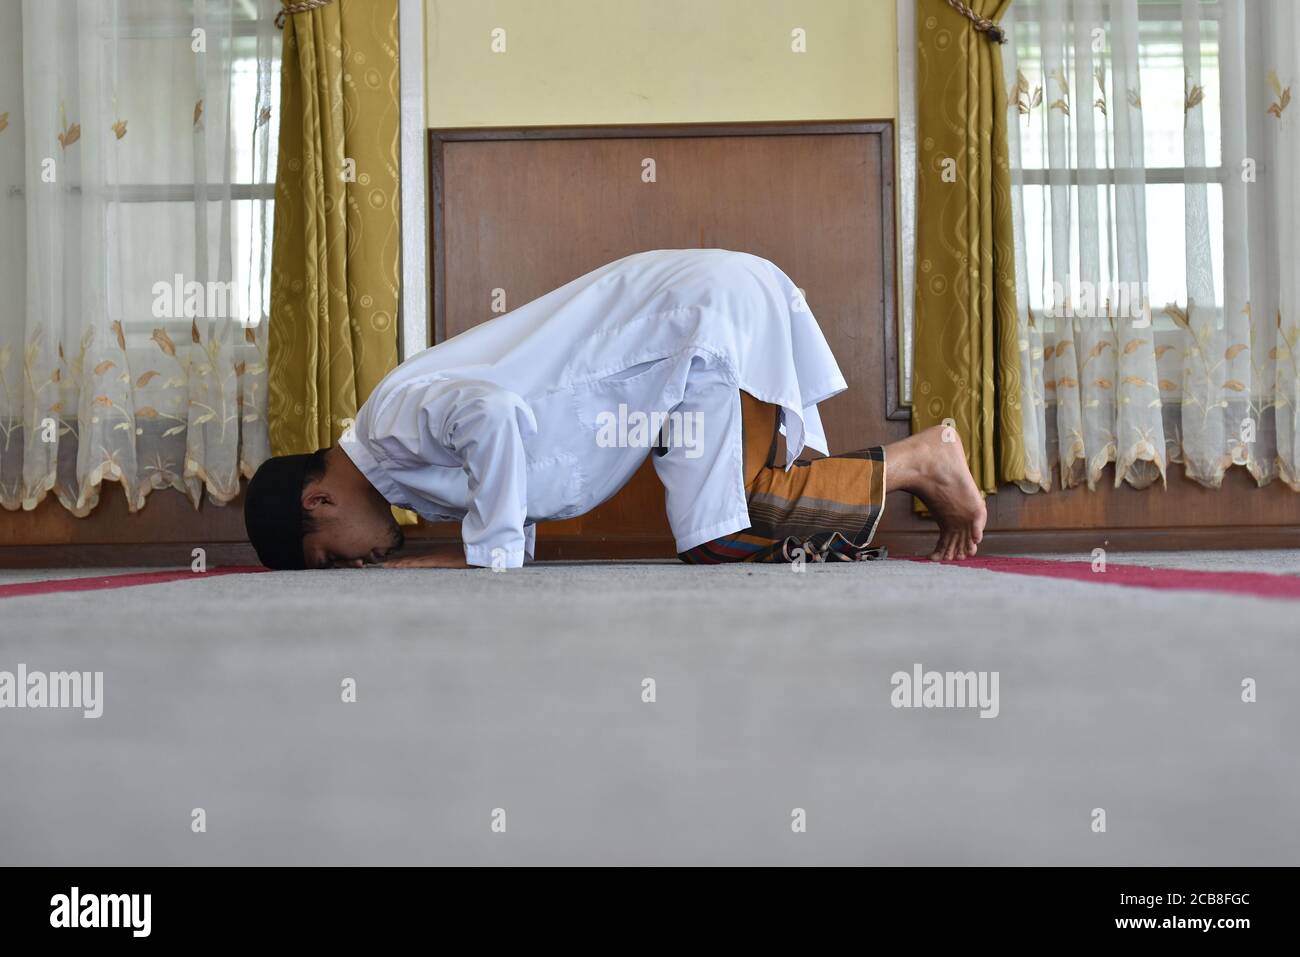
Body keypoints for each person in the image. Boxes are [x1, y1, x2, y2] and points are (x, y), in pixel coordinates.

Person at [243, 249, 985, 570]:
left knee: (734, 520)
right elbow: (513, 476)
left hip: (687, 324)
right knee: (718, 541)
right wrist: (470, 550)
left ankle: (923, 458)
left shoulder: (388, 422)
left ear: (320, 499)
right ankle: (886, 485)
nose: (356, 563)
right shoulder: (395, 474)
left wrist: (483, 558)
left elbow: (497, 416)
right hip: (674, 356)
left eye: (329, 556)